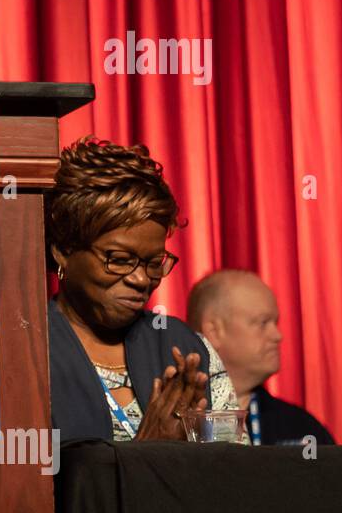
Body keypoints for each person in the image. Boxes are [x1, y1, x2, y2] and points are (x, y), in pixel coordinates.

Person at [46, 137, 243, 442]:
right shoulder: (23, 353)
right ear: (63, 250)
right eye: (120, 260)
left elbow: (237, 473)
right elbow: (17, 483)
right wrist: (145, 455)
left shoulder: (189, 349)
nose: (140, 280)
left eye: (153, 263)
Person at [187, 269, 335, 446]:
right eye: (262, 322)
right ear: (214, 331)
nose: (277, 335)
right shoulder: (172, 422)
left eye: (275, 322)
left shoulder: (303, 430)